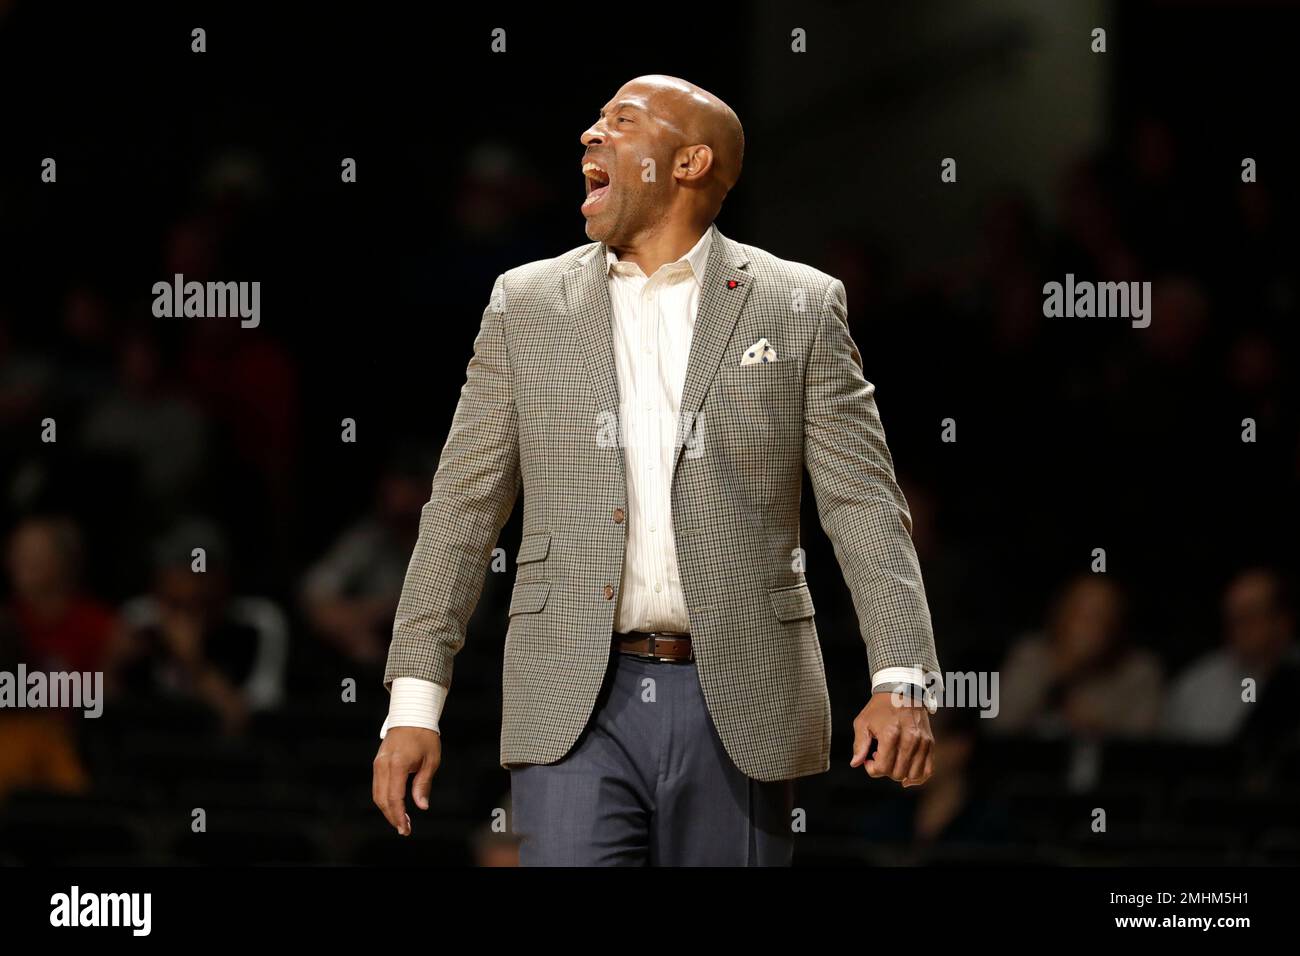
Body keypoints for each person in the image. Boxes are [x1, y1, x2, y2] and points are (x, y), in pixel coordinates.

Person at [372, 75, 940, 865]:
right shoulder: (525, 303)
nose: (590, 136)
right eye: (596, 120)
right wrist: (413, 704)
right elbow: (462, 509)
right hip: (572, 695)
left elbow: (864, 507)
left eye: (622, 121)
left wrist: (903, 678)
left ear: (689, 162)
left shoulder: (798, 305)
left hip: (739, 695)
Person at [1163, 567, 1299, 744]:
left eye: (1248, 616)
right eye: (1231, 618)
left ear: (1283, 621)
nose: (1237, 629)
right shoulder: (1195, 687)